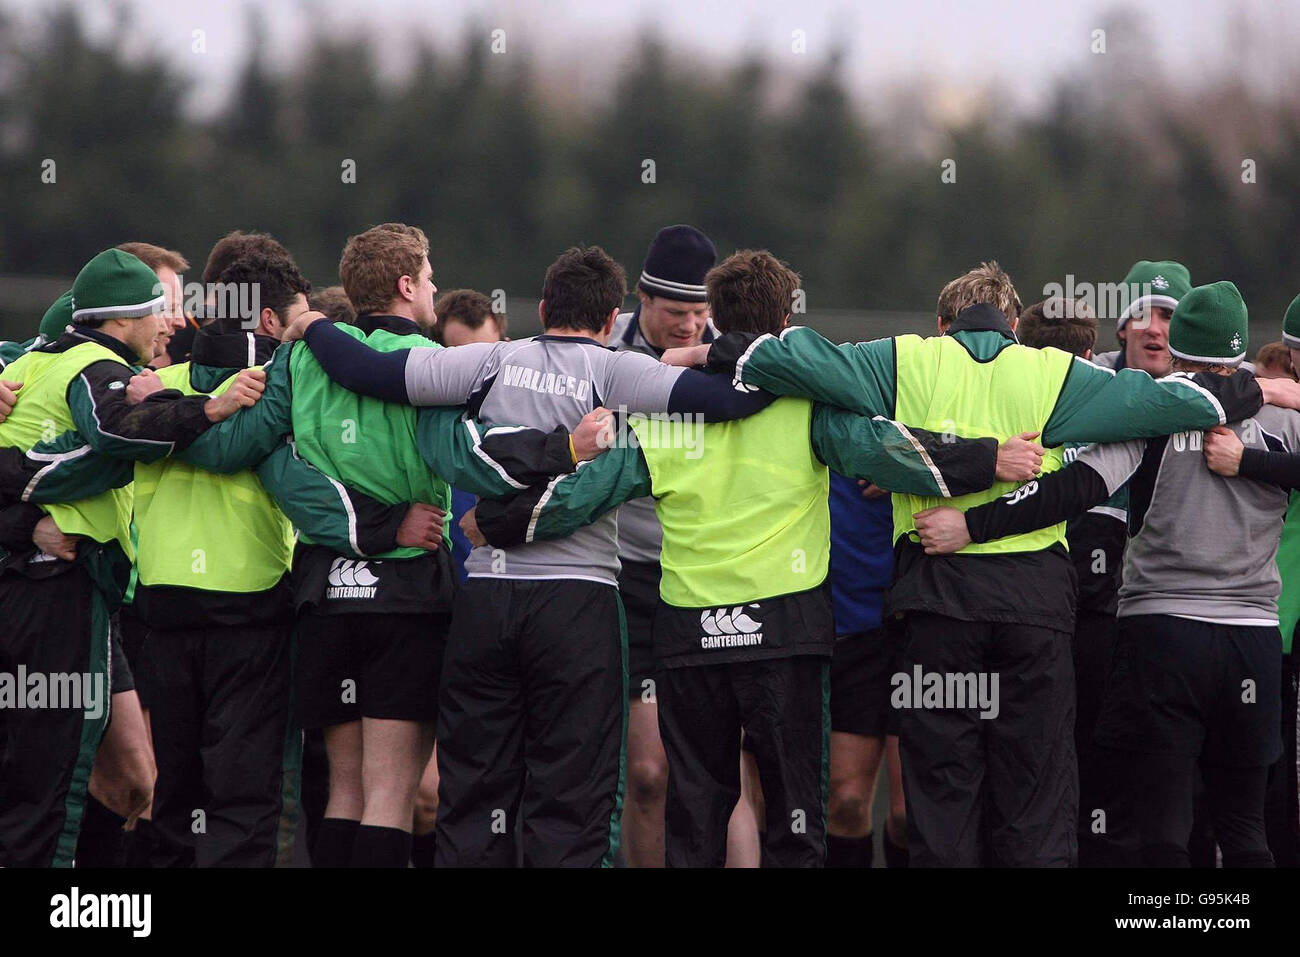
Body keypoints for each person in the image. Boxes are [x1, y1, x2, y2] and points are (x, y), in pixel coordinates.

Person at [667, 261, 1293, 866]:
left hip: (938, 606)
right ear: (1013, 325)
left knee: (941, 803)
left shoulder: (903, 359)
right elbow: (1170, 401)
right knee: (1036, 801)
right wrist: (1258, 387)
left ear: (943, 324)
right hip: (1035, 614)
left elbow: (789, 358)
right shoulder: (1055, 374)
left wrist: (709, 352)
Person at [466, 250, 1043, 866]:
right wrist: (989, 458)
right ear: (787, 323)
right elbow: (895, 452)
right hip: (786, 633)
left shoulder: (672, 408)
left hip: (691, 634)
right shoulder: (808, 404)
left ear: (713, 316)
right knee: (795, 815)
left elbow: (590, 488)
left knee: (695, 812)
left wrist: (493, 521)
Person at [288, 244, 792, 867]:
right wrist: (700, 352)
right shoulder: (620, 372)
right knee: (572, 800)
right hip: (577, 606)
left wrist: (311, 323)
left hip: (487, 601)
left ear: (544, 305)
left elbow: (366, 372)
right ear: (612, 320)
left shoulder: (488, 360)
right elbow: (736, 400)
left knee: (474, 794)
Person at [176, 226, 602, 868]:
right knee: (392, 796)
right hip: (406, 596)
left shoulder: (298, 360)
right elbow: (469, 458)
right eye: (429, 276)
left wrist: (172, 412)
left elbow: (237, 450)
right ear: (406, 286)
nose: (434, 287)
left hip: (325, 595)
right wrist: (562, 450)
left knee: (342, 791)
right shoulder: (428, 365)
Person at [916, 281, 1293, 868]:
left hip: (1162, 633)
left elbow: (1070, 490)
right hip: (1254, 637)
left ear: (1177, 348)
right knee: (1245, 831)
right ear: (1241, 356)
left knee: (1163, 828)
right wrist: (1257, 454)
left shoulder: (1149, 411)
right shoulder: (1281, 417)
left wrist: (972, 527)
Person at [0, 248, 264, 867]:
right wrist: (209, 409)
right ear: (123, 317)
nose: (173, 322)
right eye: (161, 309)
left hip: (42, 582)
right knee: (54, 779)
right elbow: (117, 434)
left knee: (74, 776)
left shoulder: (35, 359)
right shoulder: (93, 364)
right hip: (56, 593)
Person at [1092, 260, 1191, 376]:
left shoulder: (1208, 389)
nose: (1153, 329)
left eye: (1168, 317)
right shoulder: (1090, 381)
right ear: (1123, 329)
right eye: (1141, 316)